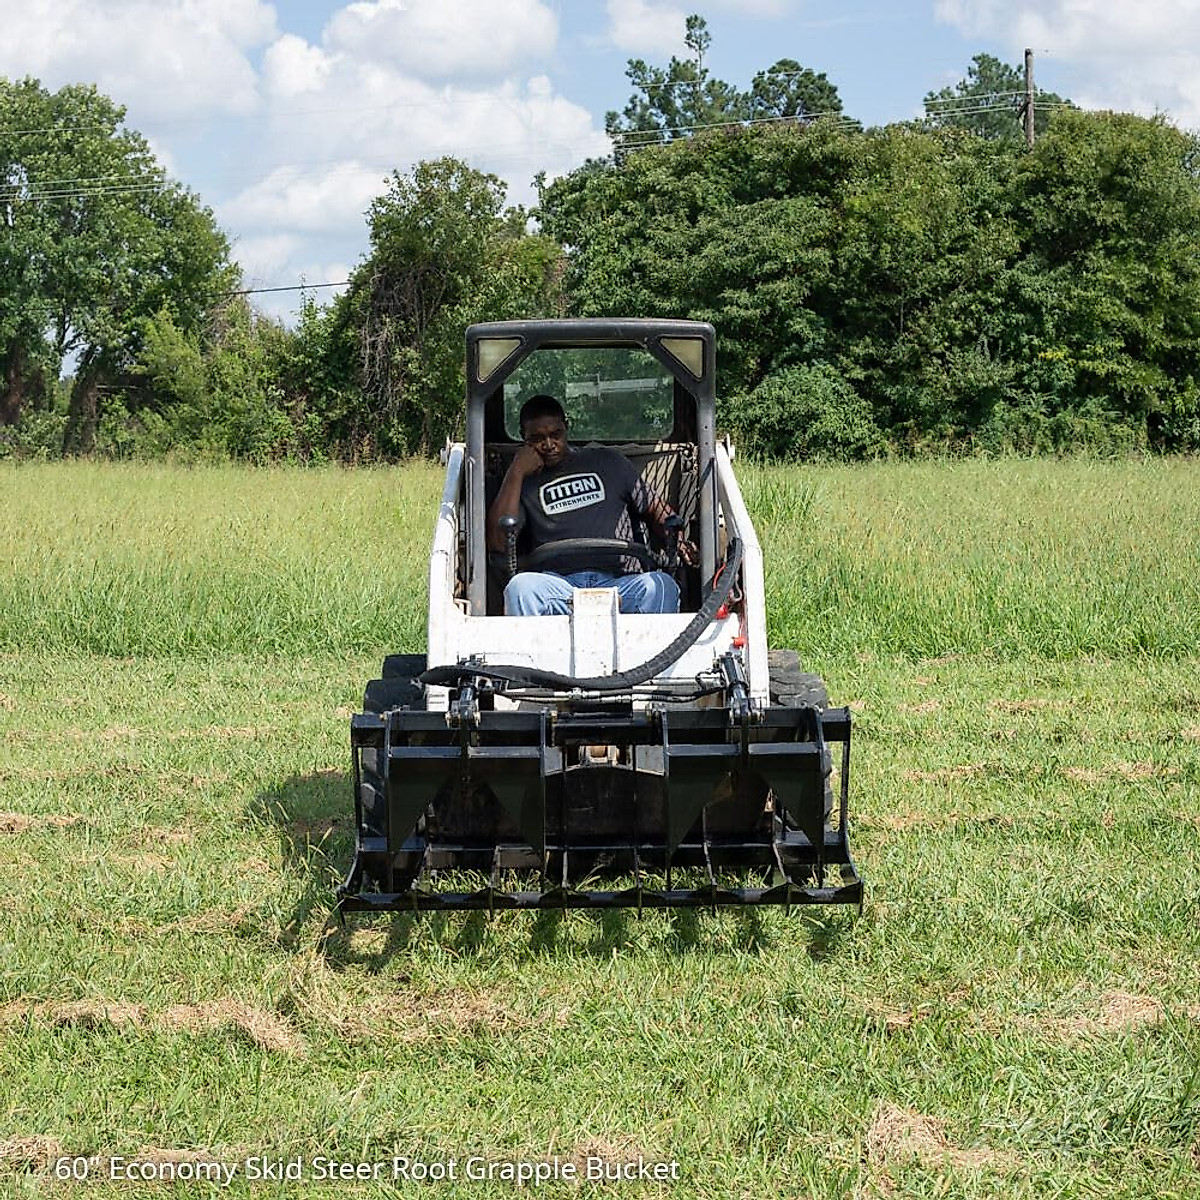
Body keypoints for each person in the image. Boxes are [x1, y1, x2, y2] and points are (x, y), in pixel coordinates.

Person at [486, 395, 691, 616]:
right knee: (520, 588)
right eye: (537, 439)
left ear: (567, 427)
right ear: (523, 438)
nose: (548, 445)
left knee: (661, 586)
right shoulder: (524, 482)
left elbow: (654, 508)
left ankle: (663, 652)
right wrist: (516, 471)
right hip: (558, 586)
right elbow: (498, 543)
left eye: (555, 434)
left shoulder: (609, 462)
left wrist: (678, 539)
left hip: (621, 581)